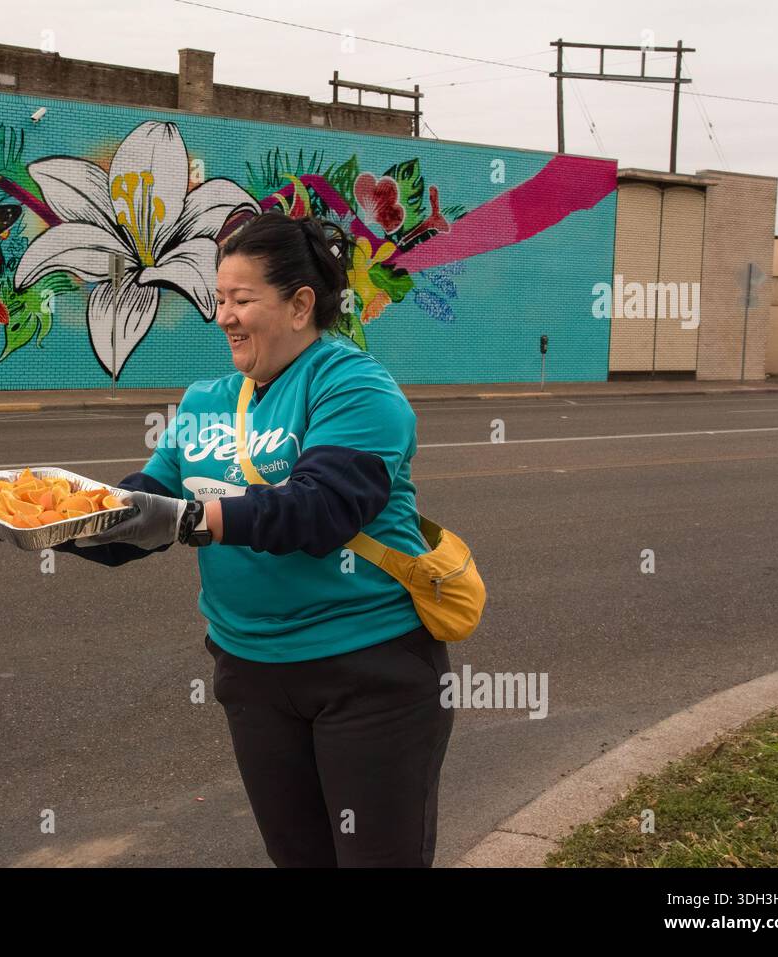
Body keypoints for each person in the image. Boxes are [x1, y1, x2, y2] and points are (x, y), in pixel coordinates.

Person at [53, 211, 453, 867]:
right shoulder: (207, 400)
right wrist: (53, 522)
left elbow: (321, 509)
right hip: (253, 675)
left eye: (242, 300)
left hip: (367, 674)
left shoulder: (353, 385)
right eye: (219, 300)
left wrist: (194, 519)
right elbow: (138, 515)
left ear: (300, 305)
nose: (224, 316)